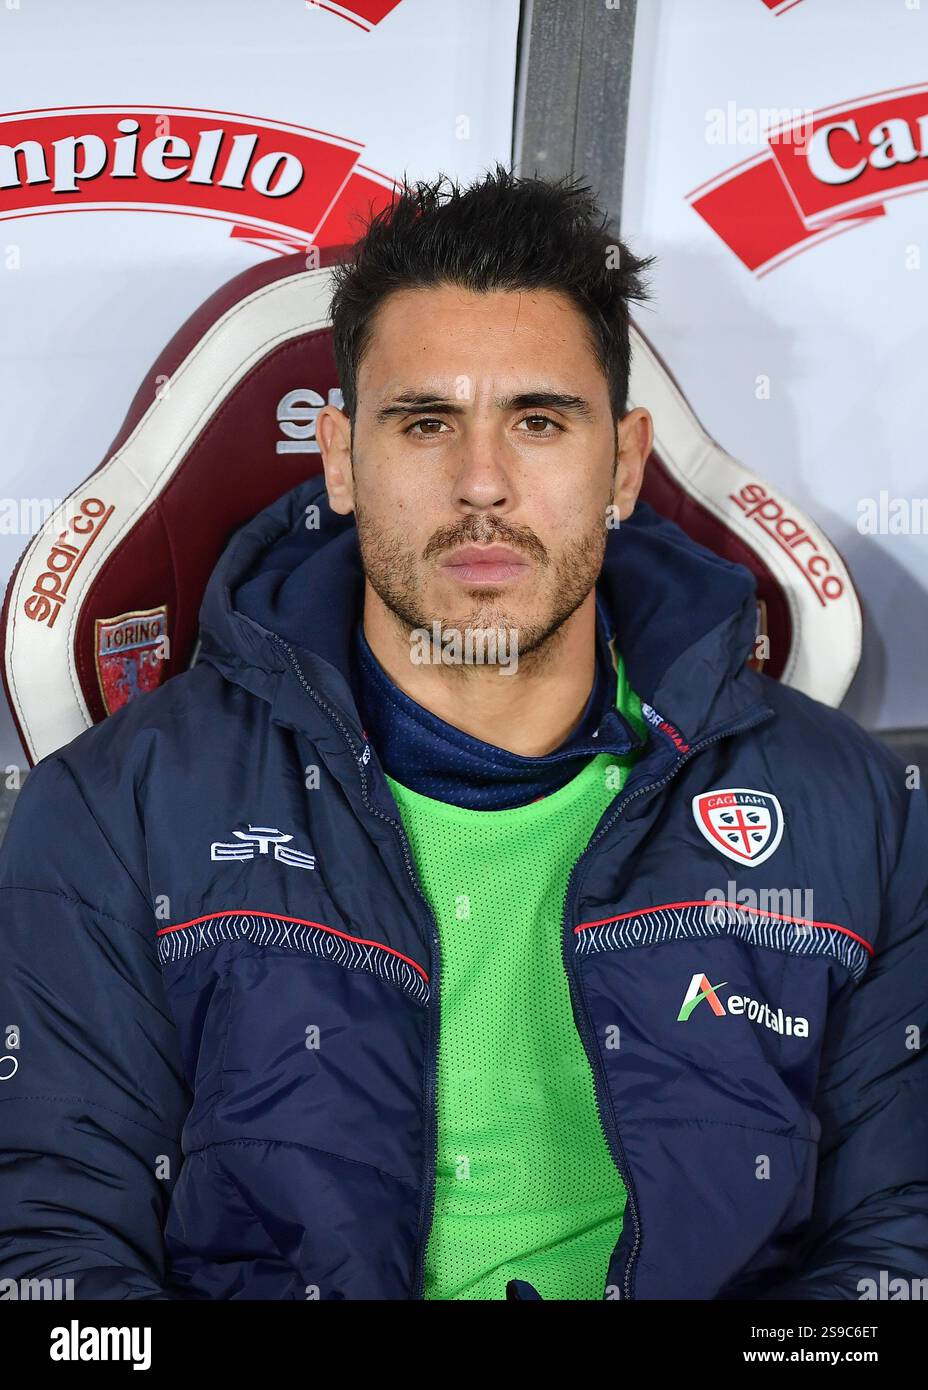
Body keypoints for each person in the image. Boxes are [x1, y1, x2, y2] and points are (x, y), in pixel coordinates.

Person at [0, 164, 925, 1301]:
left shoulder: (854, 811)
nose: (482, 483)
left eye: (538, 420)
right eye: (426, 421)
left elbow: (899, 1248)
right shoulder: (113, 815)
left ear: (623, 464)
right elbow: (51, 1271)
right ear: (341, 458)